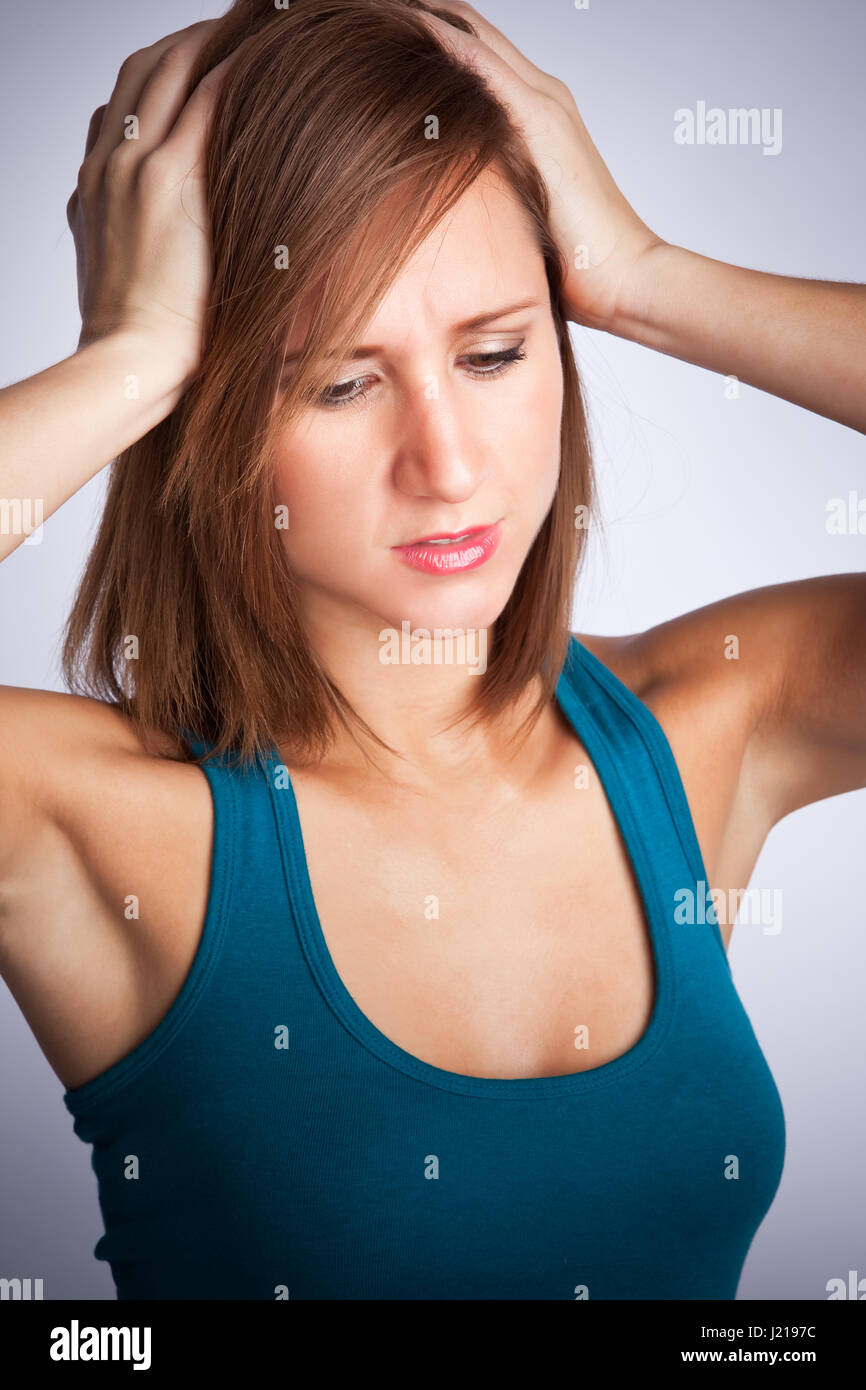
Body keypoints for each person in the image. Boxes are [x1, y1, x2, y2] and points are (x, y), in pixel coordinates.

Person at [0, 0, 863, 1301]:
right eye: (341, 382)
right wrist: (128, 364)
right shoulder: (73, 814)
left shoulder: (711, 718)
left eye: (496, 351)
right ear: (208, 413)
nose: (449, 466)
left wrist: (647, 275)